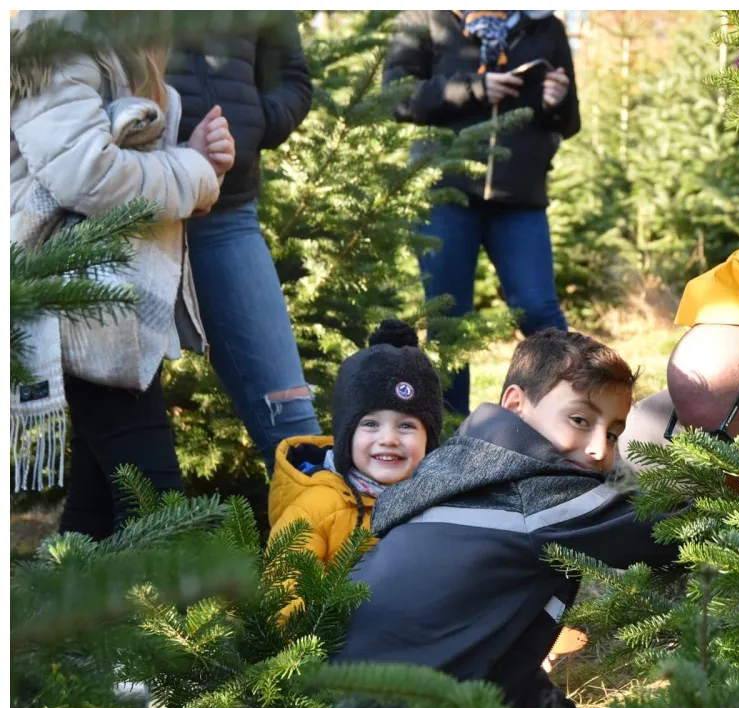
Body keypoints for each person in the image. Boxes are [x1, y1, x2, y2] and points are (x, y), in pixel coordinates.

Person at [296, 329, 680, 708]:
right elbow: (670, 528)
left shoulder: (460, 469)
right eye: (580, 419)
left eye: (615, 433)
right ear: (516, 404)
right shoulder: (536, 491)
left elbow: (493, 651)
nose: (601, 449)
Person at [10, 10, 235, 540]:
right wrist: (195, 171)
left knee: (103, 498)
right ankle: (176, 626)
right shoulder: (58, 30)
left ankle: (73, 619)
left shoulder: (123, 33)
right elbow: (86, 172)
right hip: (81, 296)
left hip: (112, 297)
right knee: (155, 502)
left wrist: (195, 160)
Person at [385, 10, 580, 416]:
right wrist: (474, 88)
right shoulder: (425, 15)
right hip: (445, 193)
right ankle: (451, 436)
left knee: (540, 312)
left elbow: (570, 119)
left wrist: (556, 102)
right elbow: (397, 97)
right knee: (449, 321)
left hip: (520, 197)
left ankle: (577, 419)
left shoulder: (546, 25)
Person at [166, 11, 321, 472]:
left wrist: (250, 123)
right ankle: (99, 543)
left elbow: (293, 78)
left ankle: (328, 539)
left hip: (226, 216)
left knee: (292, 420)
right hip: (125, 210)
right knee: (121, 424)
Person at [267, 318, 443, 619]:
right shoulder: (317, 507)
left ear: (429, 439)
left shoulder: (442, 503)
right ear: (346, 436)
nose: (388, 439)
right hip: (339, 655)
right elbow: (284, 597)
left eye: (407, 426)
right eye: (371, 424)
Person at [618, 247, 739, 476]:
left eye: (721, 437)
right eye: (696, 435)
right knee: (640, 429)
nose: (711, 451)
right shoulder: (723, 311)